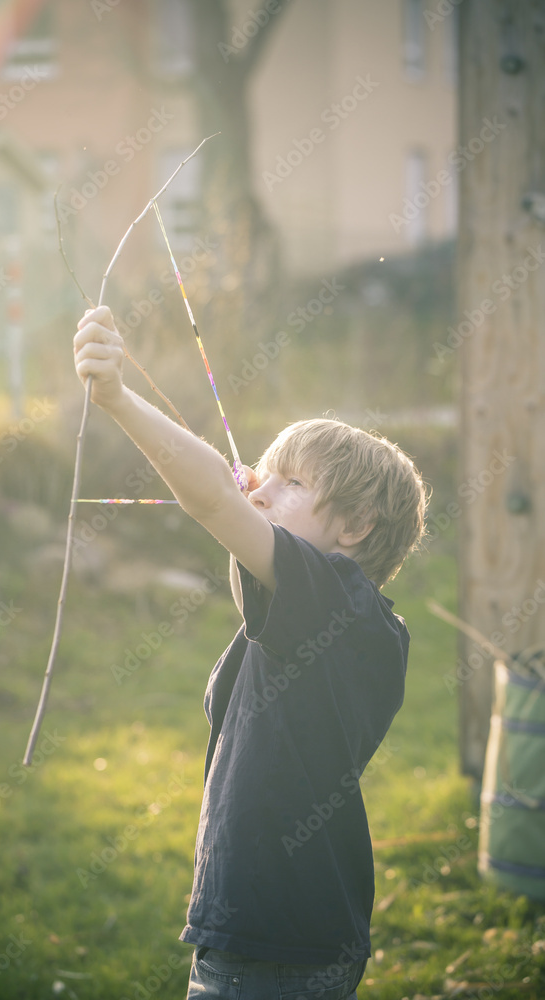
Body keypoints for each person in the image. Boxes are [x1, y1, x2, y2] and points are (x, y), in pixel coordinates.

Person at [74, 305, 427, 1000]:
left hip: (281, 945)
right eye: (261, 473)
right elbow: (225, 501)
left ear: (355, 525)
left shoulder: (342, 610)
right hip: (259, 934)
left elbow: (212, 500)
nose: (260, 489)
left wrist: (116, 397)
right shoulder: (312, 612)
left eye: (291, 483)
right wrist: (267, 497)